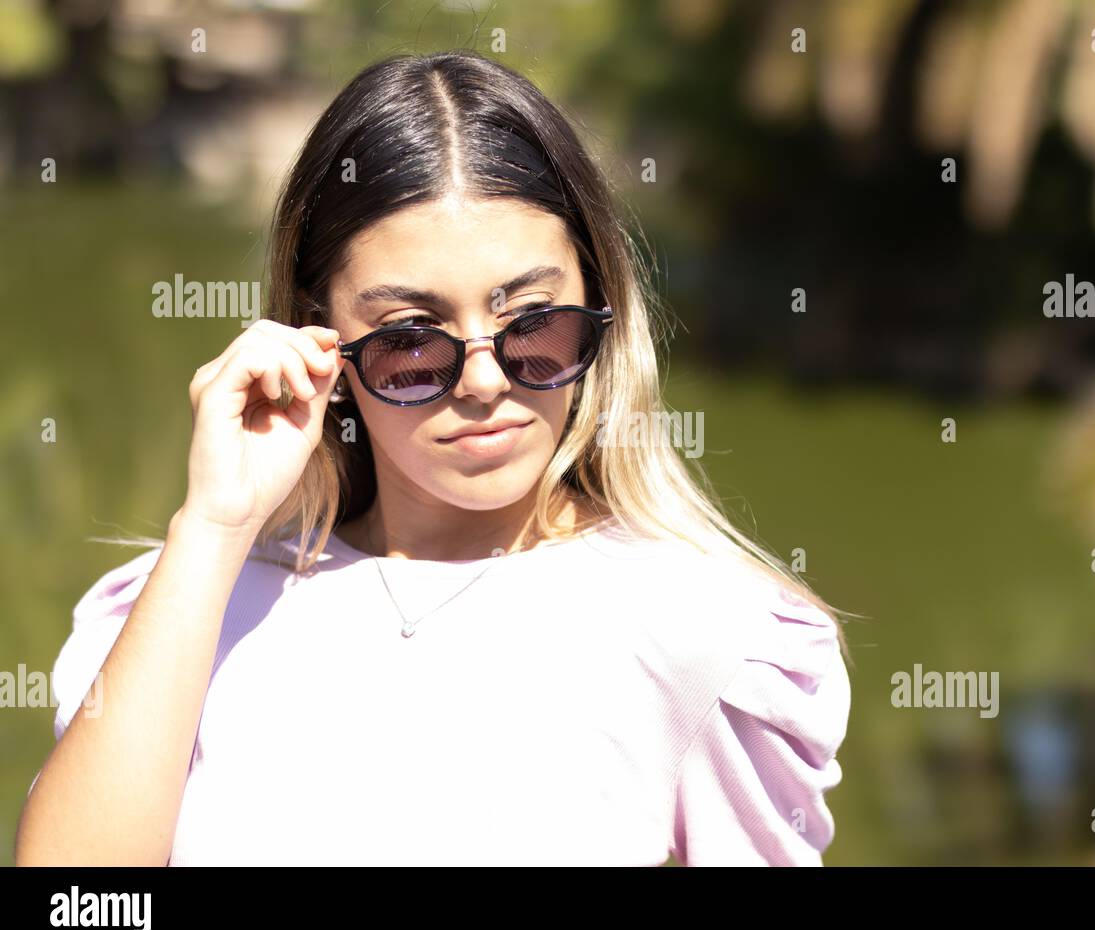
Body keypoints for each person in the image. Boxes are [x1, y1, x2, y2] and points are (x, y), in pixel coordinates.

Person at [15, 51, 853, 866]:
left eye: (533, 324)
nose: (485, 381)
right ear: (323, 342)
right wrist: (214, 526)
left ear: (599, 305)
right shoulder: (196, 606)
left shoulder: (698, 633)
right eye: (411, 342)